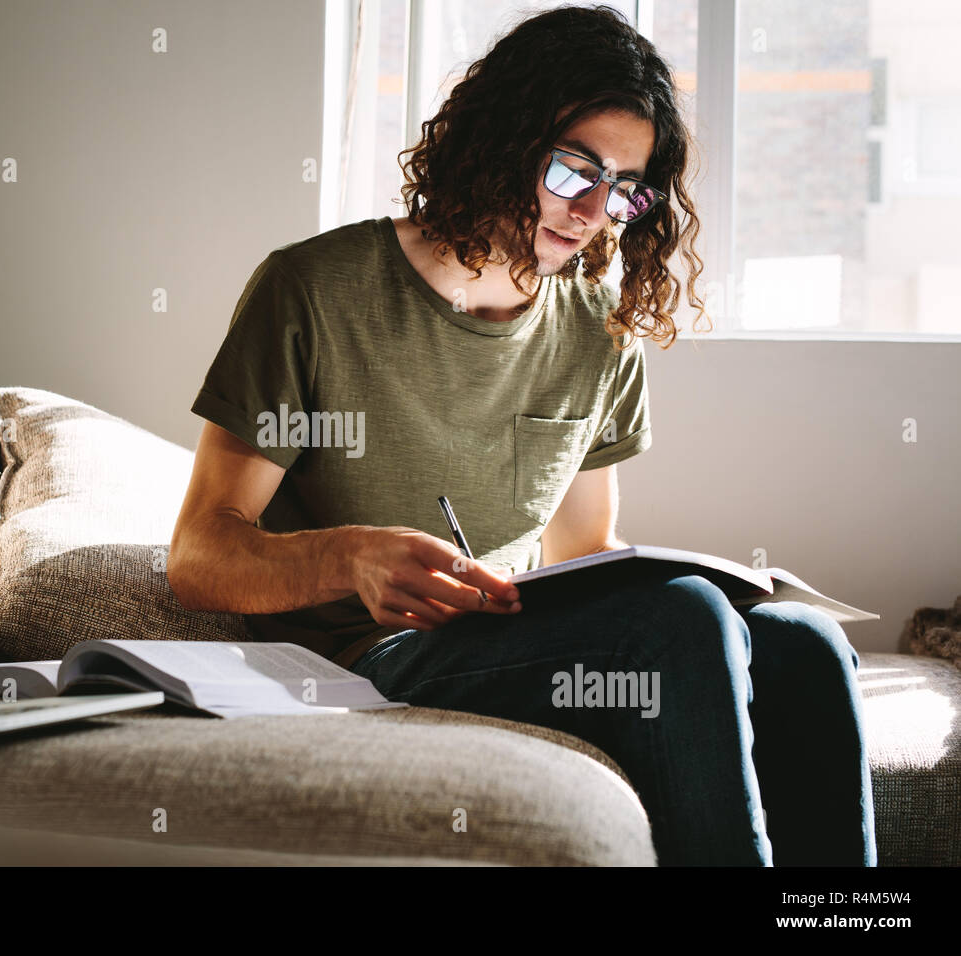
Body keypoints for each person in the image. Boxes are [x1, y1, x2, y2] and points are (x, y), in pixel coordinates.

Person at [168, 4, 876, 866]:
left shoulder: (597, 325)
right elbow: (199, 556)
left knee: (805, 644)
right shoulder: (313, 290)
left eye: (625, 187)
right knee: (681, 622)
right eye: (576, 169)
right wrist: (347, 556)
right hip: (378, 659)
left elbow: (587, 550)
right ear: (500, 137)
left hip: (514, 641)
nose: (595, 212)